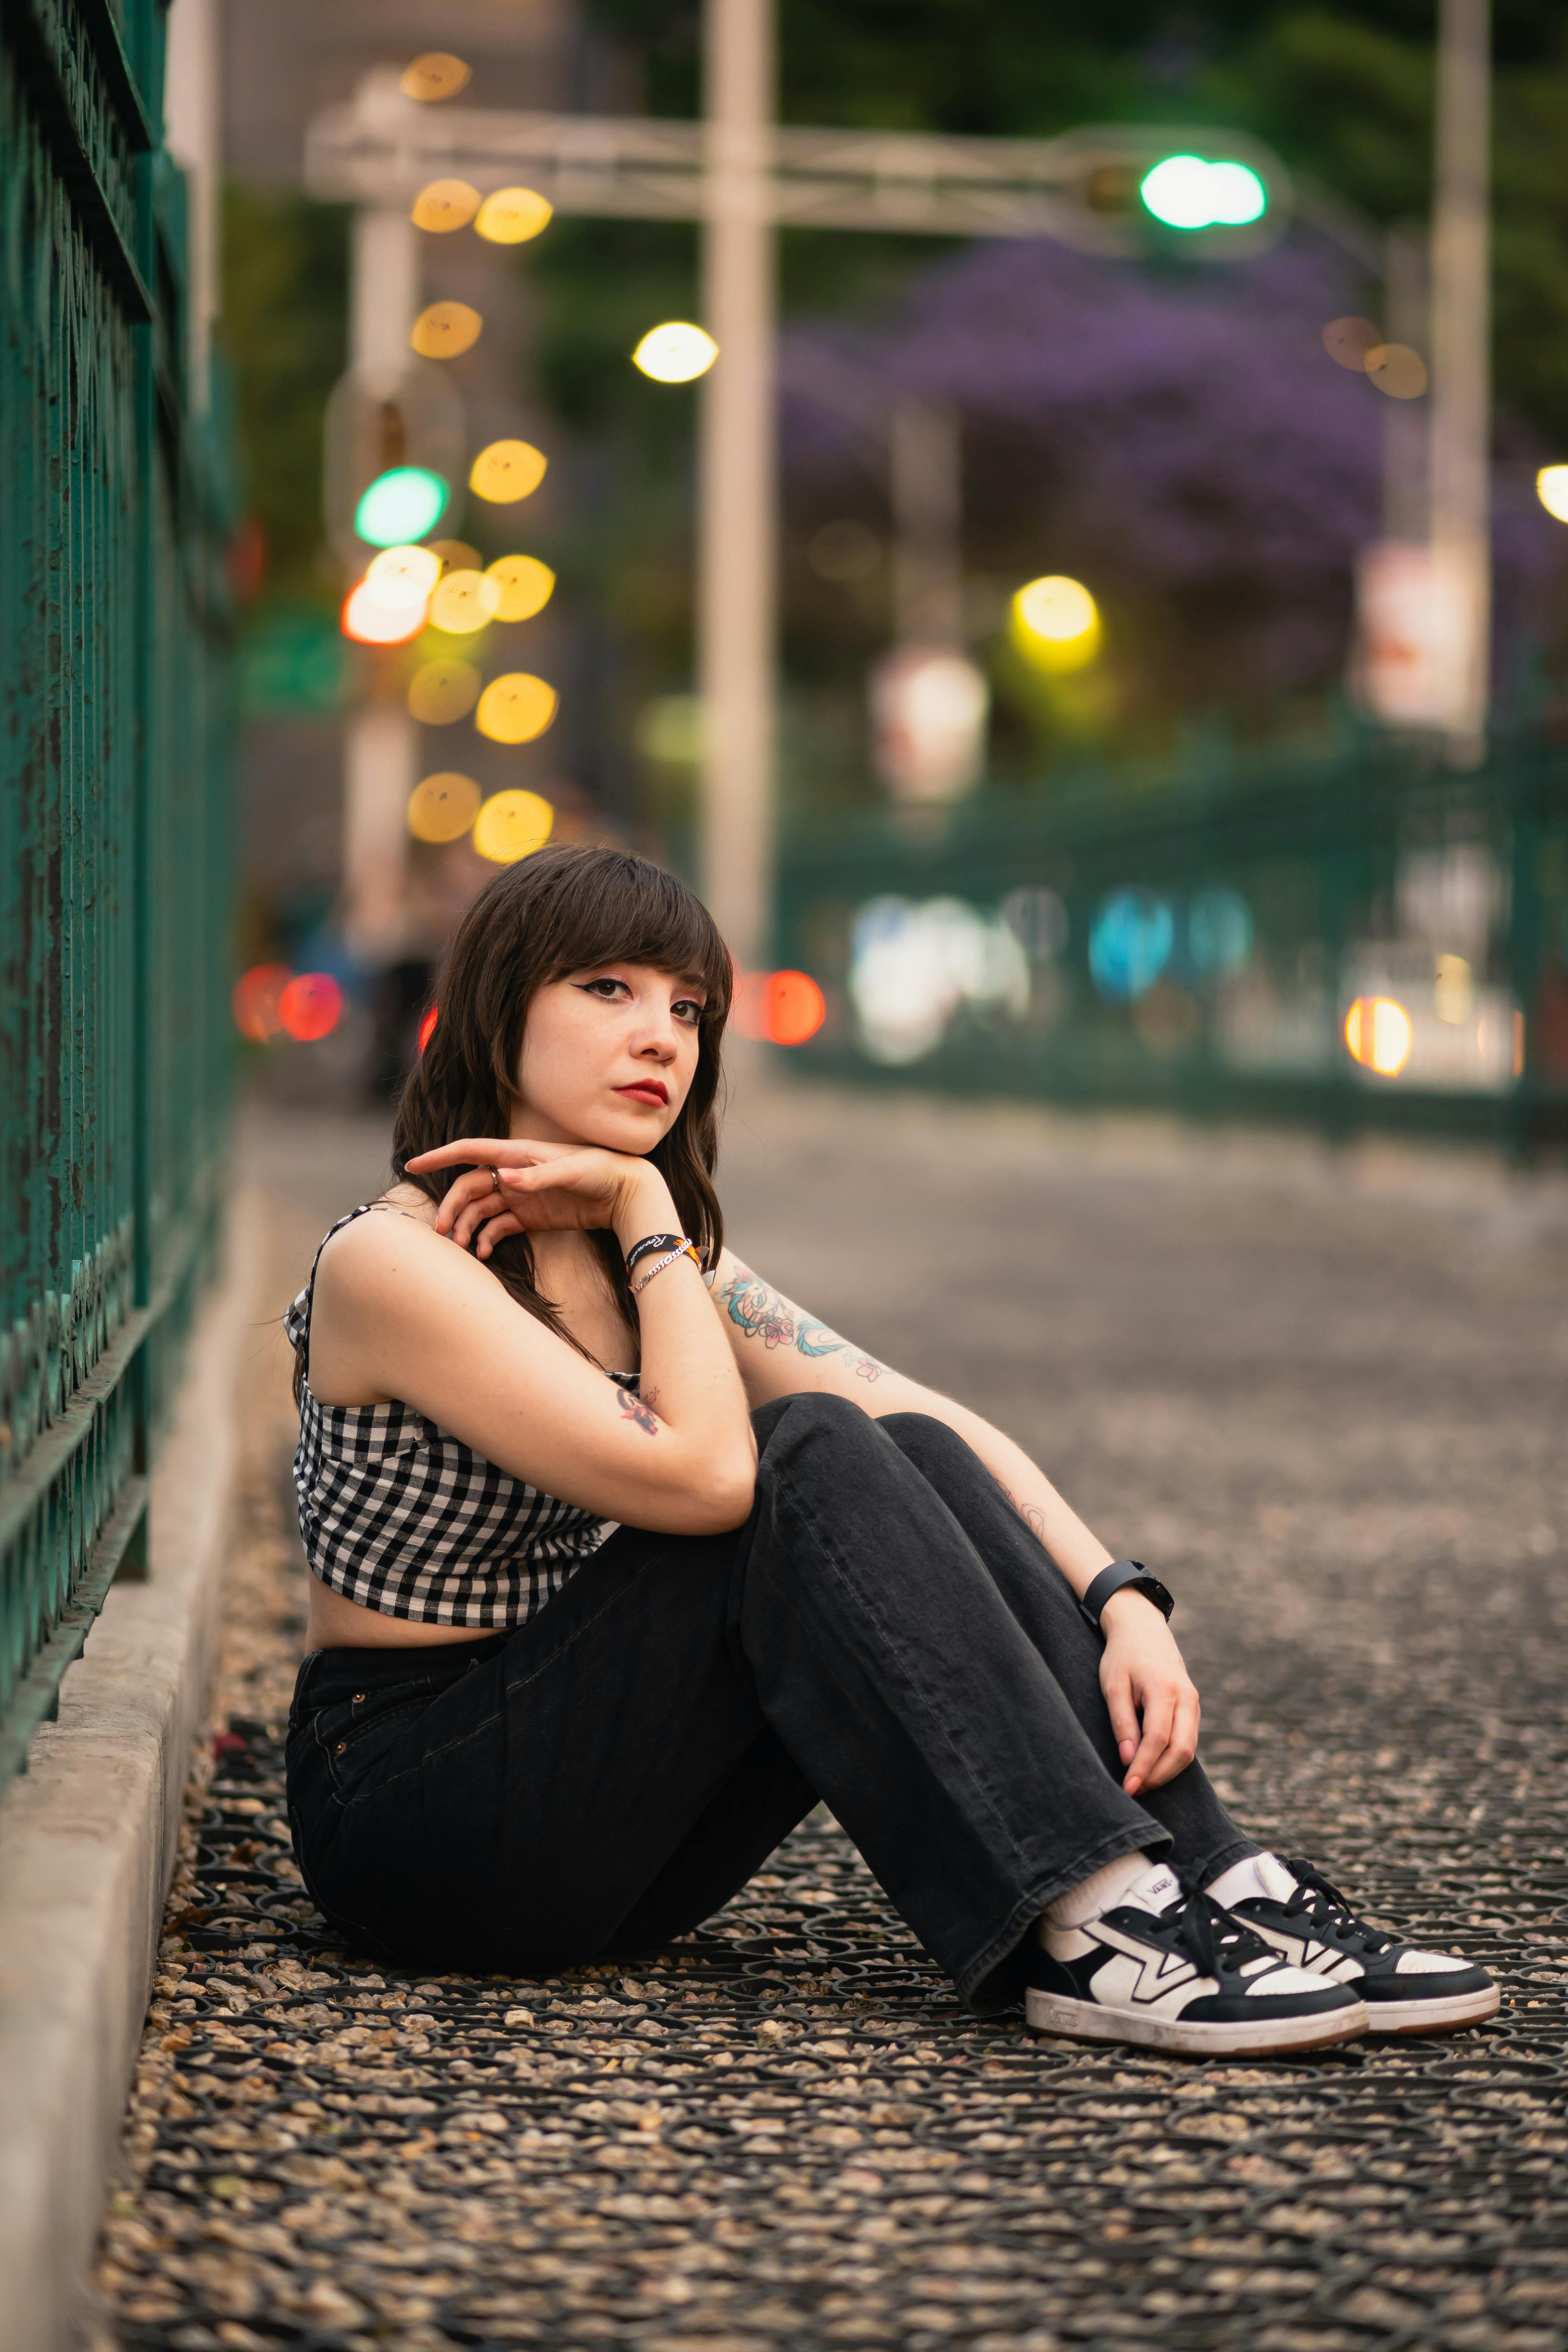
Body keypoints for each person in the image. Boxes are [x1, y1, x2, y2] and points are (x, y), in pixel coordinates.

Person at [284, 846, 1497, 2056]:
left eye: (689, 1008)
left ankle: (1212, 1877)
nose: (661, 1036)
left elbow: (925, 1415)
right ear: (498, 1006)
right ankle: (1095, 1914)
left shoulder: (643, 1258)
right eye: (608, 988)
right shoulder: (395, 1264)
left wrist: (1116, 1593)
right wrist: (650, 1212)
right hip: (417, 1821)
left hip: (603, 1814)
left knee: (899, 1442)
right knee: (801, 1451)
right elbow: (712, 1480)